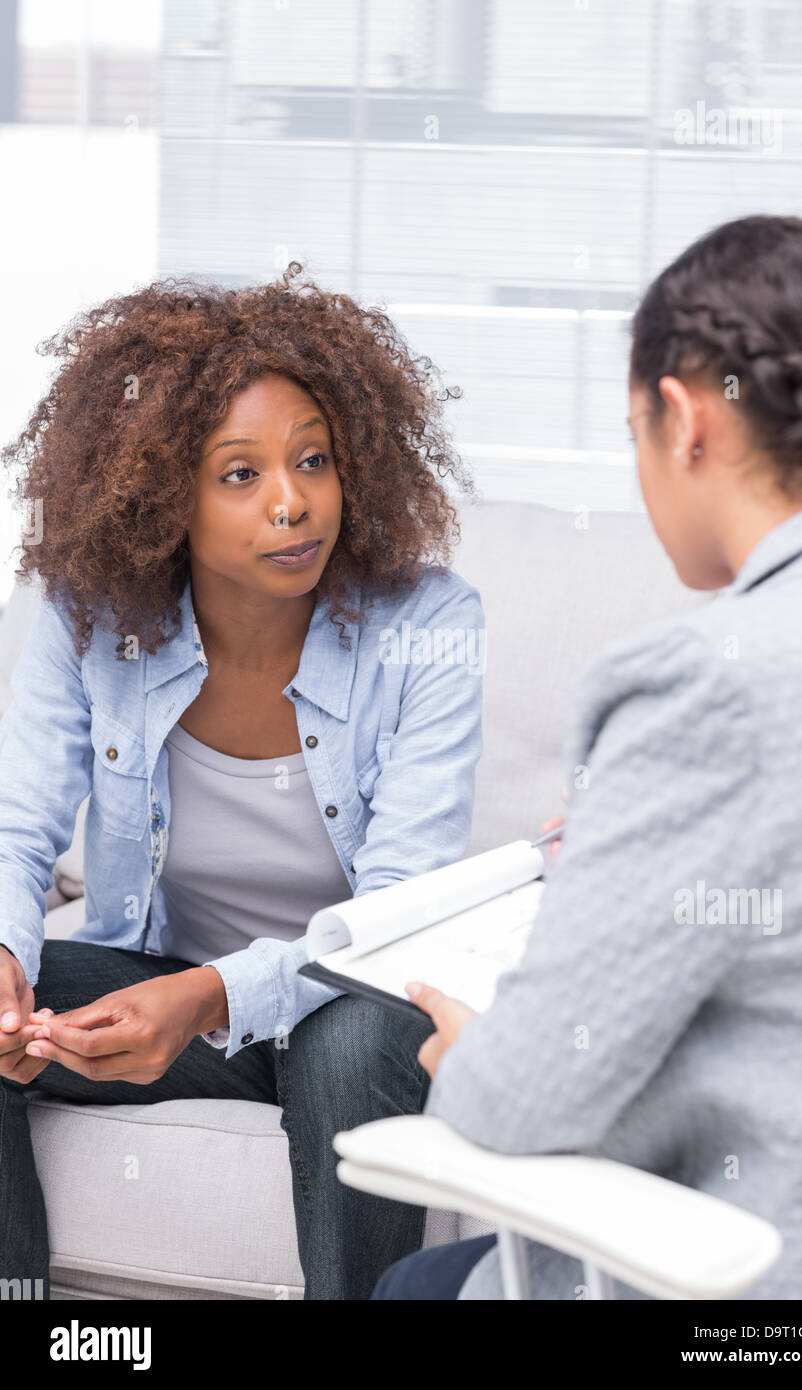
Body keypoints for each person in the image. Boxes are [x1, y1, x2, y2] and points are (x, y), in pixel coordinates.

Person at [371, 213, 802, 1300]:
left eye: (633, 430)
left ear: (684, 422)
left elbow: (523, 1099)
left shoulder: (703, 682)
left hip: (750, 1269)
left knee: (412, 1289)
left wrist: (476, 1053)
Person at [0, 263, 485, 1300]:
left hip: (349, 1005)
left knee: (354, 1043)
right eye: (240, 474)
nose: (291, 500)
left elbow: (396, 913)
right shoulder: (88, 615)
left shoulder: (431, 625)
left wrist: (215, 993)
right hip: (158, 975)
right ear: (155, 489)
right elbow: (17, 823)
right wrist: (3, 947)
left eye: (313, 460)